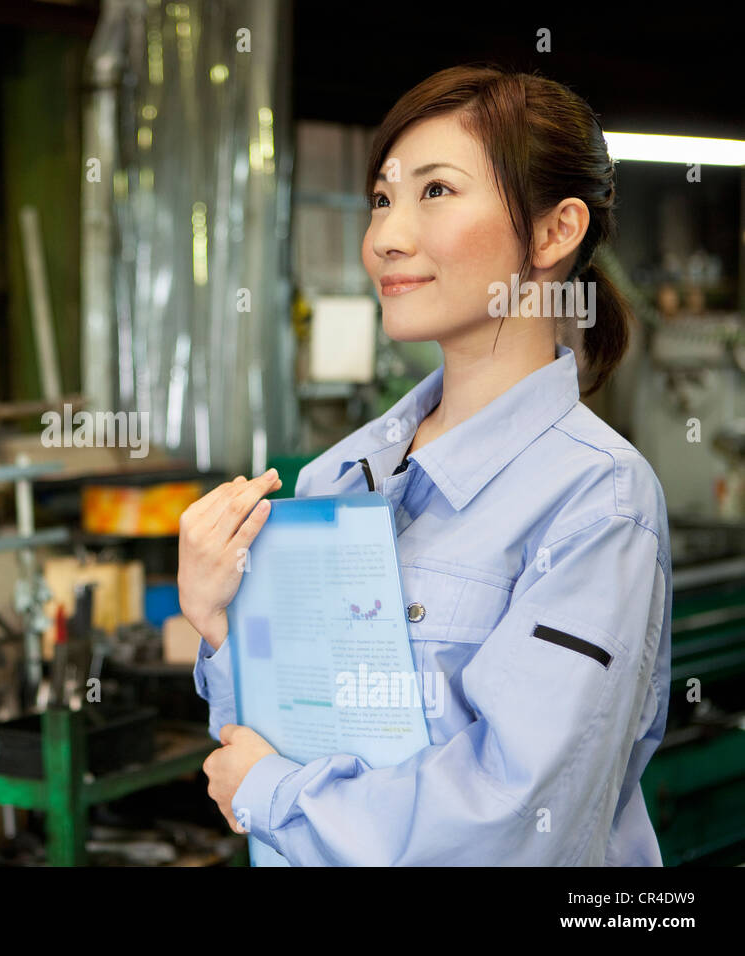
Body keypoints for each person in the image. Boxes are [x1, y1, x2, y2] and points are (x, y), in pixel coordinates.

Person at [181, 64, 671, 865]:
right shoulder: (340, 475)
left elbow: (513, 821)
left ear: (554, 232)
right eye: (382, 198)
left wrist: (274, 794)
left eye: (435, 192)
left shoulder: (597, 501)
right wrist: (216, 626)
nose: (385, 238)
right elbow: (268, 745)